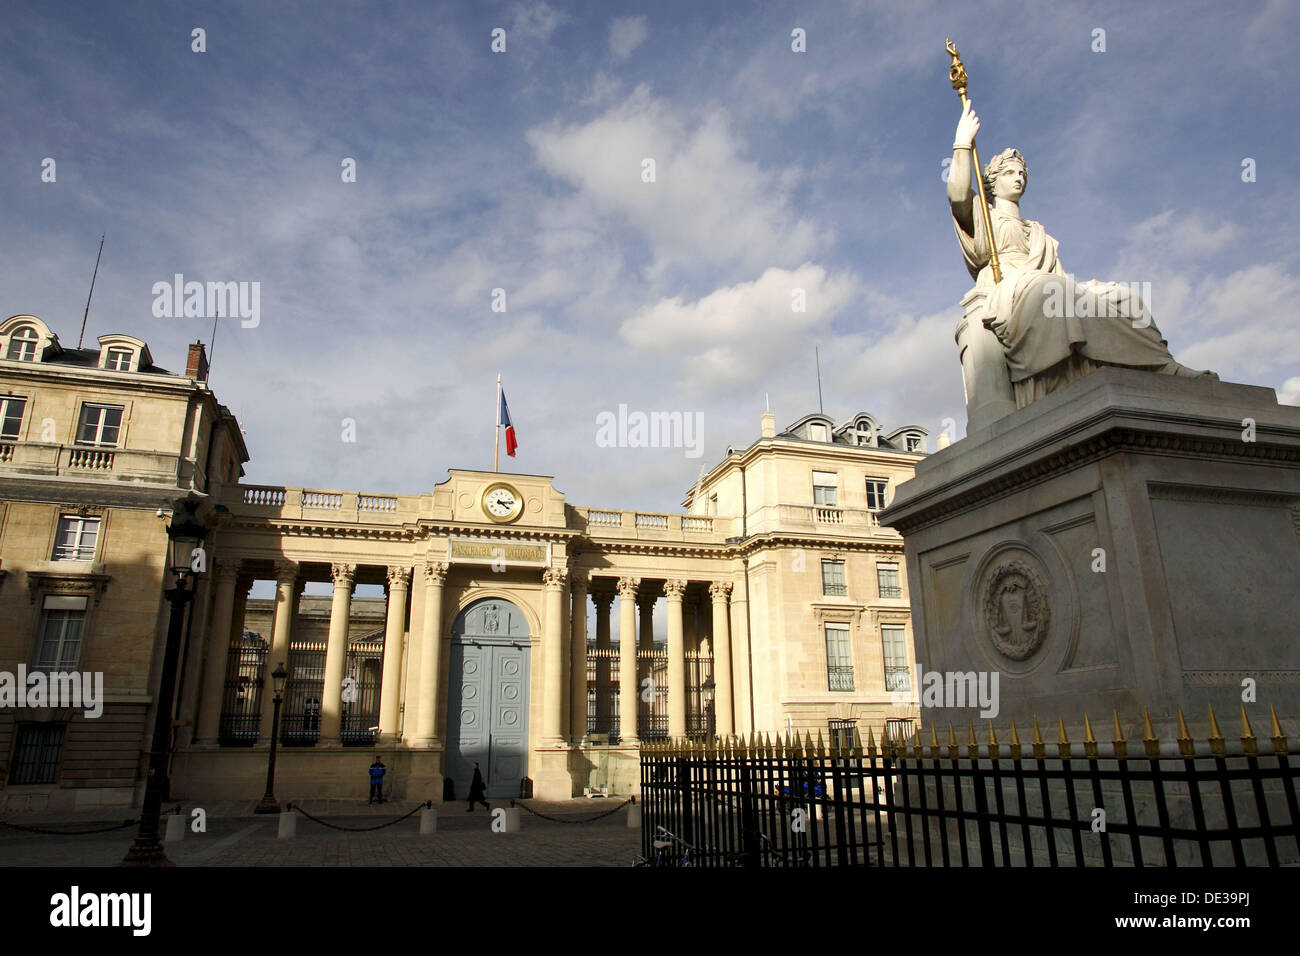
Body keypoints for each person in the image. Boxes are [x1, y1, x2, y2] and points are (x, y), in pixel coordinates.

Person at [946, 102, 1215, 408]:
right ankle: (1063, 375)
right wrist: (962, 143)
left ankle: (1160, 365)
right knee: (1053, 290)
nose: (1018, 177)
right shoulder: (984, 214)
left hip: (1046, 284)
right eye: (1009, 173)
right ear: (993, 181)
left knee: (1122, 296)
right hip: (1009, 286)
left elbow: (1059, 275)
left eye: (1021, 173)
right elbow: (957, 193)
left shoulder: (1038, 231)